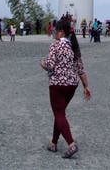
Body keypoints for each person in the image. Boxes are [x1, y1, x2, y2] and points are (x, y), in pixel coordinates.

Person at [40, 16, 91, 159]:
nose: (54, 33)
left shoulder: (55, 45)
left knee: (59, 113)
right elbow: (80, 69)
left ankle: (71, 144)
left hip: (57, 84)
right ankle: (53, 142)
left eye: (56, 30)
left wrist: (42, 63)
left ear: (61, 31)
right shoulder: (74, 46)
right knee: (60, 112)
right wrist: (86, 86)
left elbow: (49, 65)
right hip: (72, 84)